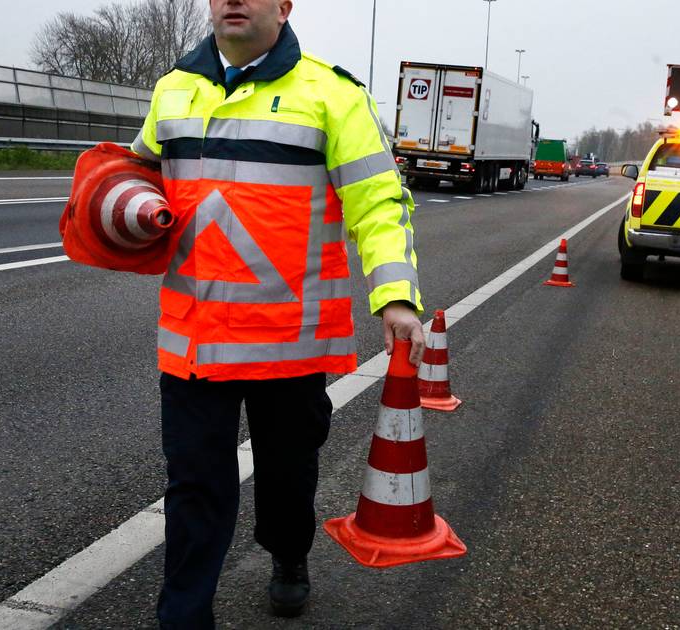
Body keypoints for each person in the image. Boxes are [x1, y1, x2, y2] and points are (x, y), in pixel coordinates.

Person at [129, 1, 425, 626]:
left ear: (285, 5)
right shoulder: (174, 89)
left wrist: (395, 294)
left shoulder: (330, 94)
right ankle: (183, 618)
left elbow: (377, 200)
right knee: (193, 490)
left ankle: (289, 554)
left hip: (287, 346)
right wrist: (110, 208)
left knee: (287, 481)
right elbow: (137, 179)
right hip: (195, 344)